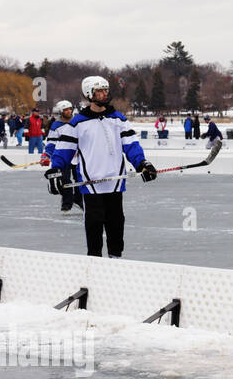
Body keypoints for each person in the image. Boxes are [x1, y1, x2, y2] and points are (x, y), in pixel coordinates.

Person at [46, 76, 157, 257]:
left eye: (106, 90)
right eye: (100, 91)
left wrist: (141, 163)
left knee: (116, 226)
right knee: (94, 228)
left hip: (115, 184)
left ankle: (116, 262)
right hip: (90, 186)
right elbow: (63, 150)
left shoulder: (119, 119)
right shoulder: (77, 123)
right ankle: (94, 265)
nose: (105, 94)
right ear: (89, 94)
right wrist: (55, 170)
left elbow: (131, 146)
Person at [43, 100, 82, 213]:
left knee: (80, 179)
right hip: (64, 157)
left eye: (70, 109)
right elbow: (51, 143)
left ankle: (79, 199)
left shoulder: (77, 123)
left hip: (78, 158)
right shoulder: (56, 125)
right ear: (61, 112)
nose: (69, 111)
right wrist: (47, 155)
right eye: (66, 110)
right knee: (64, 180)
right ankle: (67, 202)